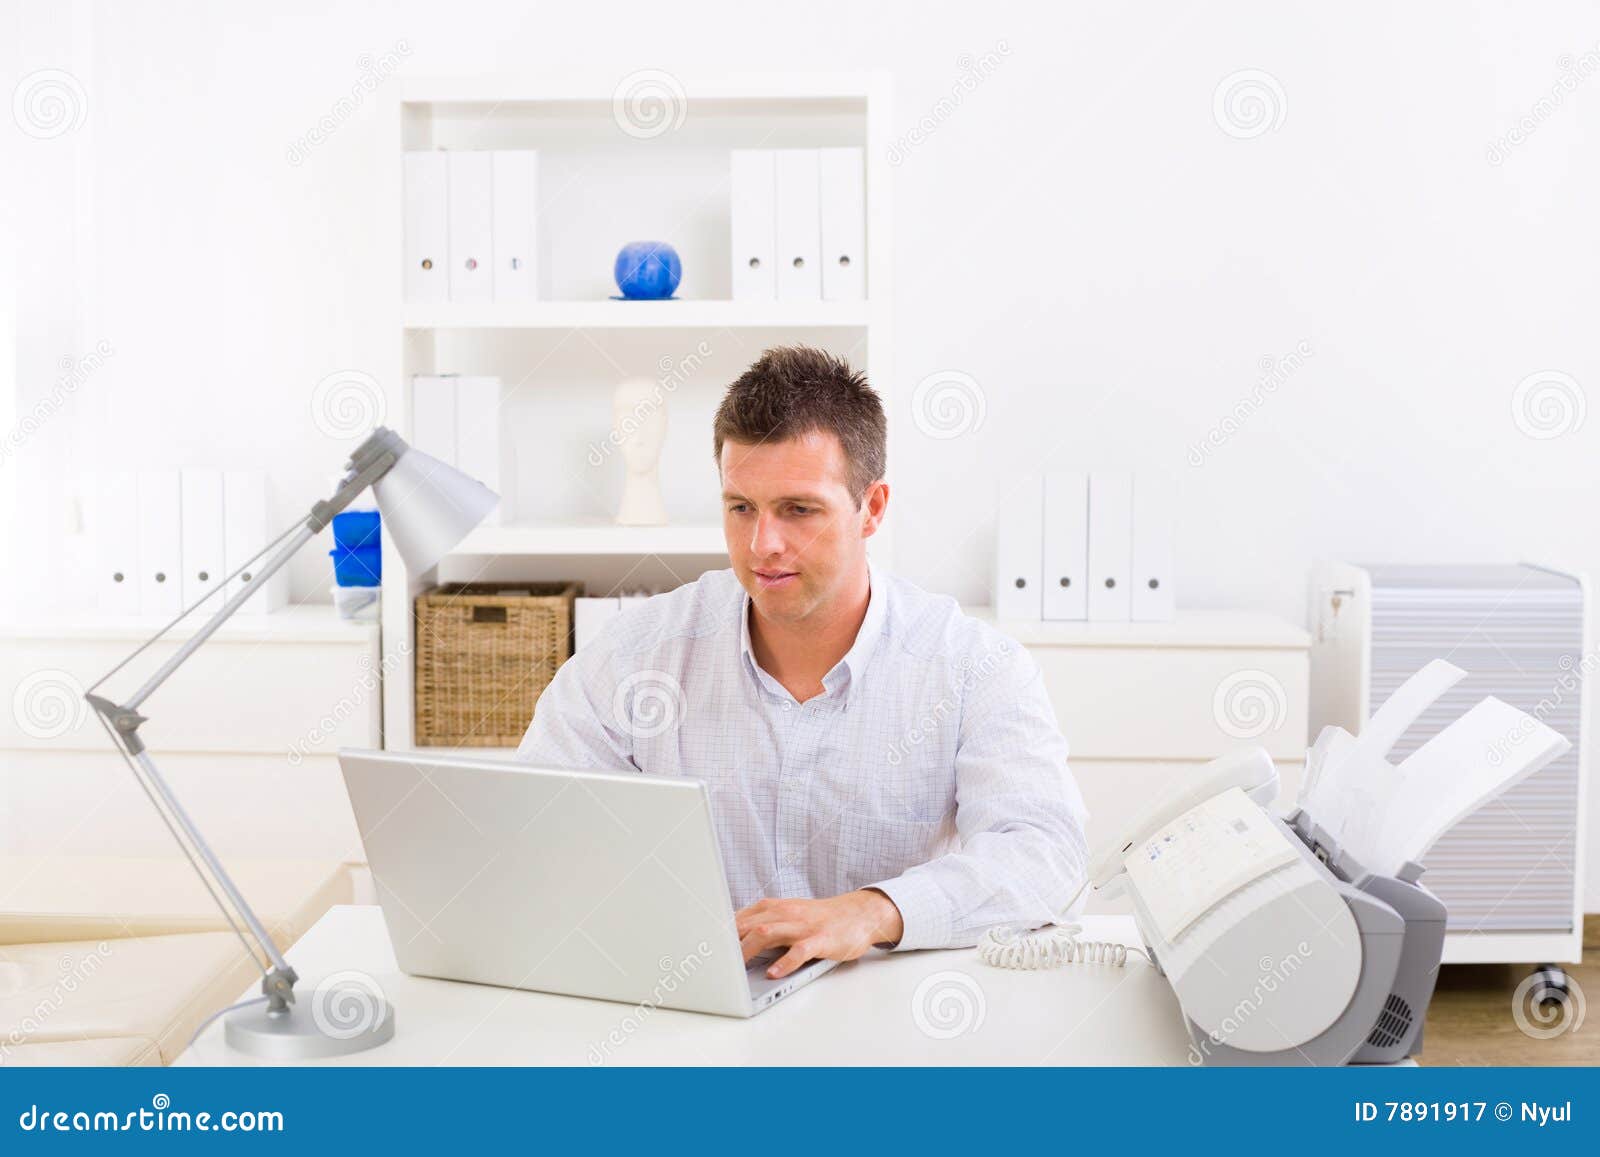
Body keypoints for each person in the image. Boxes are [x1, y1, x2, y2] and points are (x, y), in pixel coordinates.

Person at [517, 346, 1088, 980]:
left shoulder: (972, 666)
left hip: (886, 1018)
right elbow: (534, 831)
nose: (763, 545)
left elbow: (1047, 856)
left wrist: (875, 911)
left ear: (871, 508)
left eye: (799, 509)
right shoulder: (635, 655)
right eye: (741, 508)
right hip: (684, 1009)